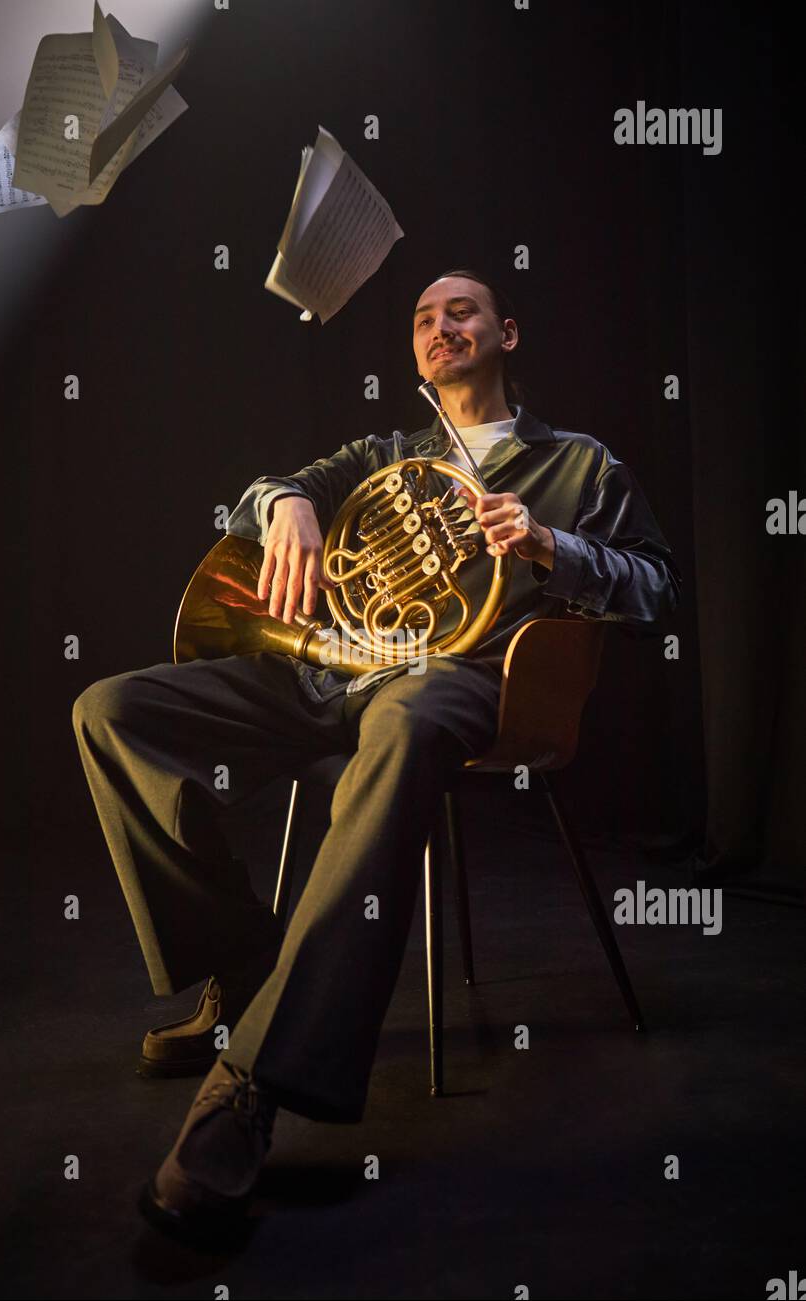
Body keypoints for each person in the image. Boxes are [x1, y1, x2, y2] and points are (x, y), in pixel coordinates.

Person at [72, 268, 680, 1246]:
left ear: (505, 333)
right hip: (335, 672)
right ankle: (241, 970)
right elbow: (261, 496)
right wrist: (281, 505)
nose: (441, 327)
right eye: (423, 318)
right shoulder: (383, 453)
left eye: (463, 312)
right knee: (113, 709)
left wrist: (549, 547)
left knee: (401, 723)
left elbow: (654, 589)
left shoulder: (578, 467)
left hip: (462, 682)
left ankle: (253, 1084)